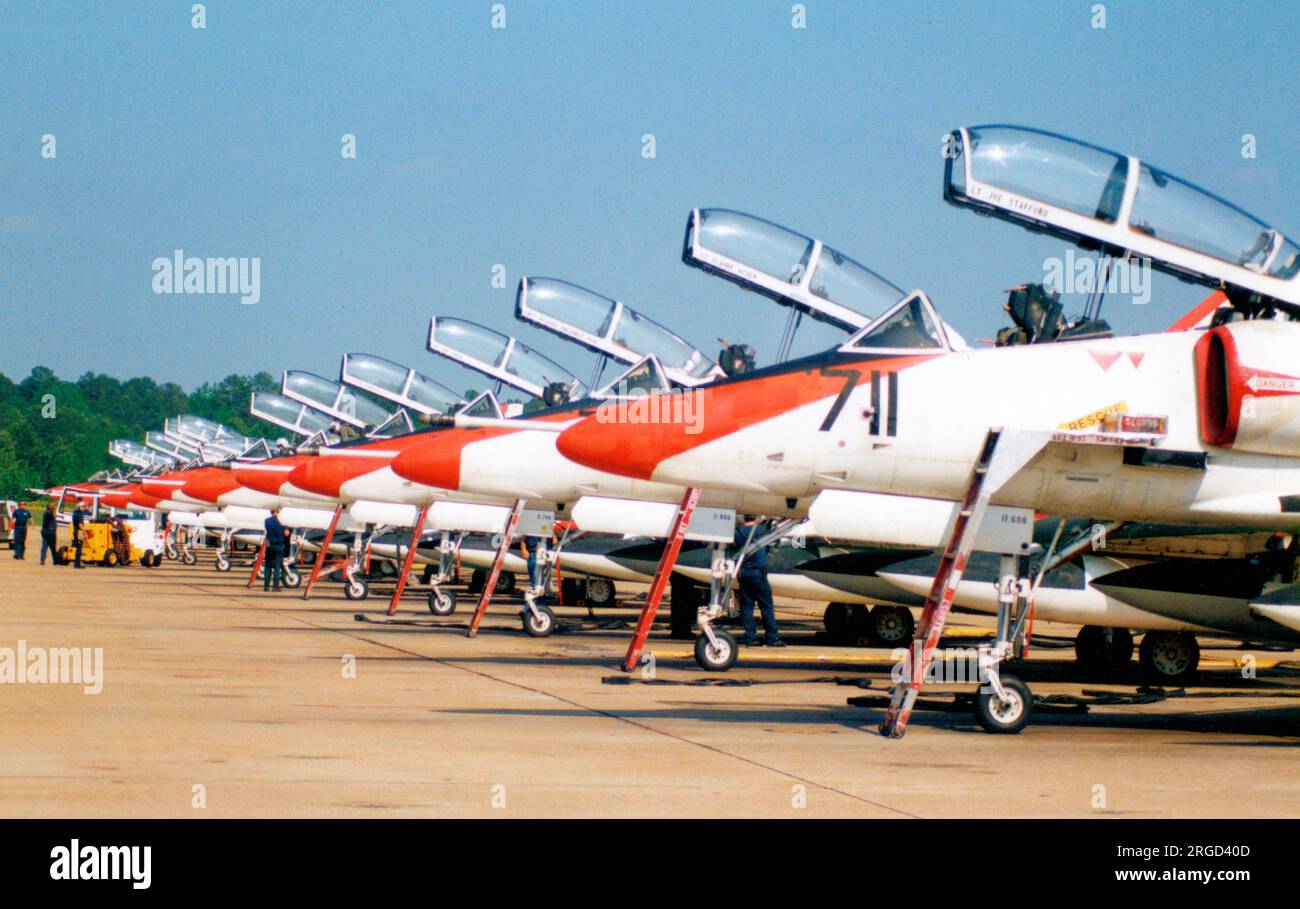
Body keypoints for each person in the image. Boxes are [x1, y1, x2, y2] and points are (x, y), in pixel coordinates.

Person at [733, 515, 784, 647]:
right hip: (758, 573)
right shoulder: (762, 531)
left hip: (743, 572)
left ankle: (751, 638)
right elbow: (775, 541)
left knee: (747, 607)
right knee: (766, 606)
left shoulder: (737, 532)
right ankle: (772, 638)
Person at [263, 507, 291, 591]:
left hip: (269, 545)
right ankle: (275, 587)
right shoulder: (282, 520)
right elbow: (286, 534)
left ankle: (266, 587)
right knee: (277, 567)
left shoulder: (267, 520)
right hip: (279, 546)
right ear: (278, 511)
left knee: (268, 566)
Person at [71, 501, 87, 568]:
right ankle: (77, 564)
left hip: (75, 531)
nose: (84, 508)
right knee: (79, 549)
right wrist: (85, 532)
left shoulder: (74, 513)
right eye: (83, 506)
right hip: (79, 532)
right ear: (80, 507)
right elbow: (80, 524)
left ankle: (77, 563)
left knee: (77, 547)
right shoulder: (80, 514)